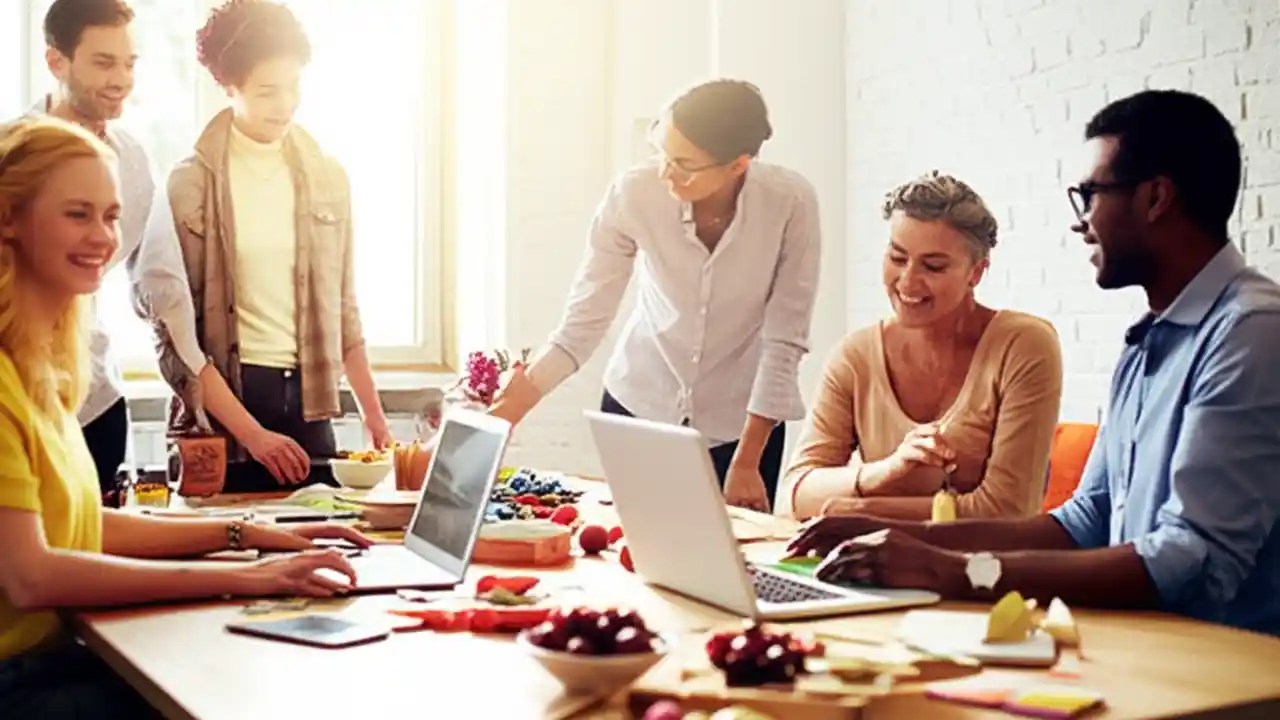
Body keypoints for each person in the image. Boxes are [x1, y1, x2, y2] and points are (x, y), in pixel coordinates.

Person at [788, 90, 1280, 636]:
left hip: (1233, 668)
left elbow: (1190, 559)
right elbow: (1085, 520)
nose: (1081, 222)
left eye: (1089, 195)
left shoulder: (1250, 333)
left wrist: (958, 571)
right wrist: (890, 533)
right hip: (1152, 646)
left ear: (1155, 198)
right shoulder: (1149, 342)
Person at [0, 116, 369, 717]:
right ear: (8, 217)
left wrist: (247, 537)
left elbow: (85, 525)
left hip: (49, 659)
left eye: (112, 216)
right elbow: (32, 577)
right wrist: (247, 578)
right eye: (77, 213)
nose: (102, 237)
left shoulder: (38, 367)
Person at [492, 79, 822, 512]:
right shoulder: (634, 194)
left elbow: (785, 337)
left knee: (732, 565)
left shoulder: (789, 202)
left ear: (738, 165)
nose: (665, 171)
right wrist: (511, 408)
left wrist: (748, 461)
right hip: (638, 406)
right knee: (635, 558)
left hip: (741, 424)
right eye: (662, 152)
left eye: (684, 163)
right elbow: (583, 323)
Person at [162, 0, 390, 492]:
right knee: (234, 555)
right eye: (267, 91)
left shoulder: (328, 177)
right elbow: (177, 339)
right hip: (230, 405)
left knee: (325, 549)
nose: (285, 104)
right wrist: (253, 434)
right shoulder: (188, 186)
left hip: (310, 403)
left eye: (293, 88)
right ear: (229, 86)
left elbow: (344, 310)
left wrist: (376, 417)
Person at [777, 172, 1063, 521]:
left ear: (976, 272)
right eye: (897, 258)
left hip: (981, 571)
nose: (908, 281)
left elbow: (1006, 510)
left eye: (933, 266)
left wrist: (861, 509)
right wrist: (882, 472)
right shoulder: (855, 357)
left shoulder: (1024, 346)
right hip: (871, 567)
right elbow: (795, 495)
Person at [26, 0, 210, 498]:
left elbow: (161, 284)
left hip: (96, 402)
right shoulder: (12, 158)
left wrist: (199, 393)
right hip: (20, 396)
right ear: (56, 62)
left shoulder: (130, 160)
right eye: (103, 62)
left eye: (129, 63)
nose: (122, 79)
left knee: (97, 551)